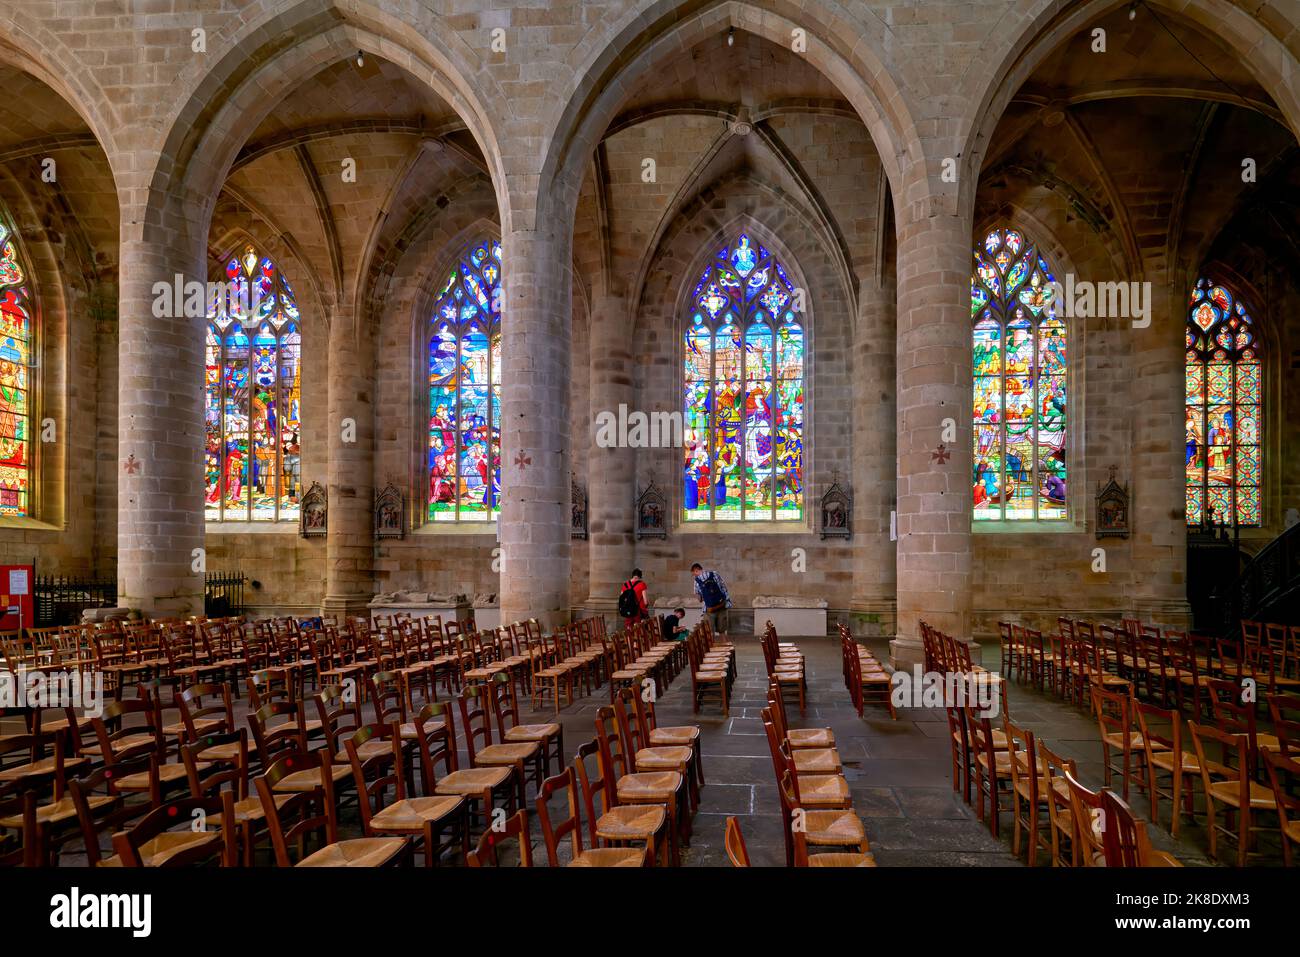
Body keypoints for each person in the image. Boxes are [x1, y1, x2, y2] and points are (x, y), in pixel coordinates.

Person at [691, 562, 730, 638]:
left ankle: (712, 649)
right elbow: (724, 587)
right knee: (722, 631)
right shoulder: (714, 574)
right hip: (721, 605)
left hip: (709, 609)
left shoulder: (697, 580)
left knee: (709, 632)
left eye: (693, 573)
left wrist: (703, 598)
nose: (694, 575)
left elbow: (699, 597)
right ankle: (726, 647)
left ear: (696, 570)